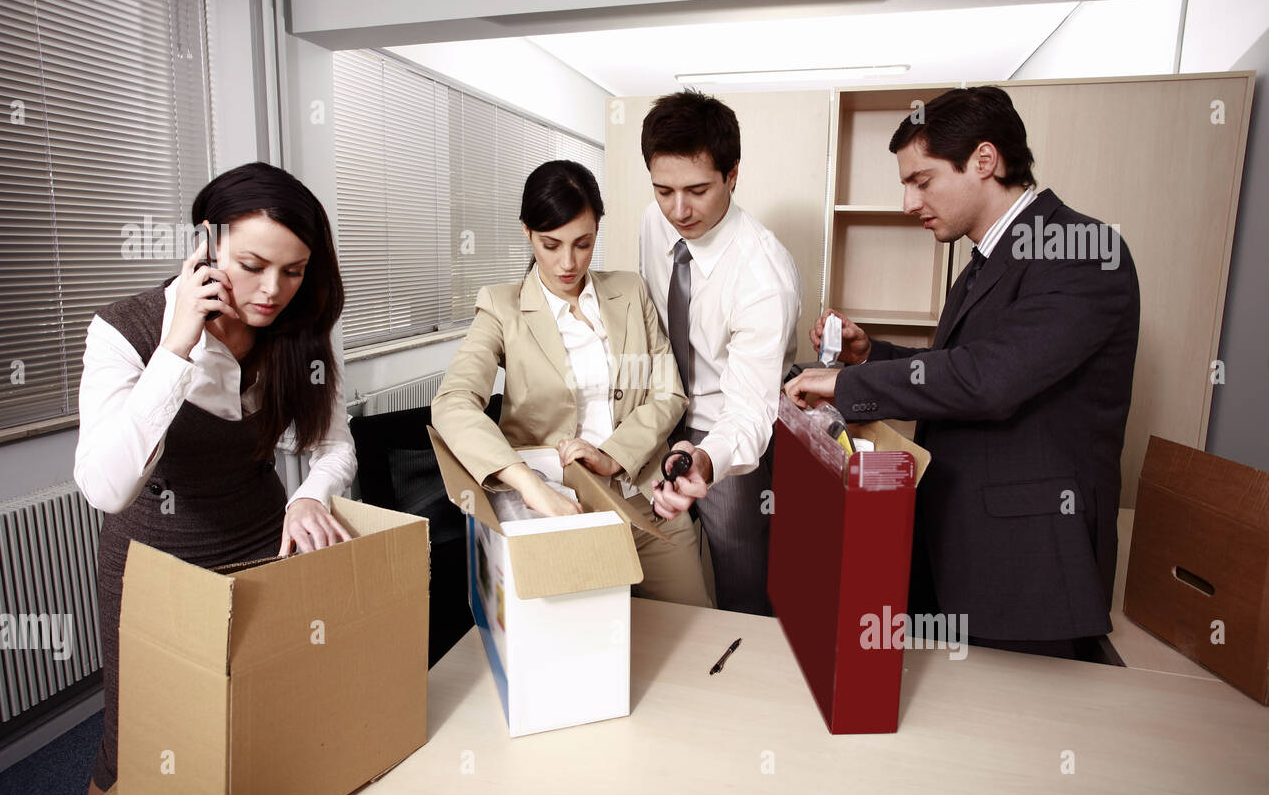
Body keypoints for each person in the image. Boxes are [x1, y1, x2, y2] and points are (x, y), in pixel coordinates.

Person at [785, 86, 1140, 660]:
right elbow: (956, 371)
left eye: (920, 181)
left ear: (984, 160)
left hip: (1029, 563)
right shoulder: (988, 258)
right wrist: (869, 355)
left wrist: (845, 386)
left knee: (1012, 737)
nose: (907, 204)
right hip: (960, 539)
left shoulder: (1084, 250)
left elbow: (990, 380)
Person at [74, 162, 357, 795]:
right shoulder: (124, 332)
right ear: (205, 242)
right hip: (154, 565)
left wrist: (311, 494)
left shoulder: (299, 335)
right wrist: (175, 348)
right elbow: (107, 487)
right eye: (253, 264)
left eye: (293, 270)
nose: (272, 290)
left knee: (257, 712)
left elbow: (334, 442)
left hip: (263, 547)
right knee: (138, 743)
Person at [432, 160, 709, 607]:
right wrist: (528, 483)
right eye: (551, 244)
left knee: (697, 631)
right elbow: (452, 404)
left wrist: (612, 456)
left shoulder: (630, 291)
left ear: (598, 229)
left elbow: (668, 391)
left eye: (583, 244)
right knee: (588, 650)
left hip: (646, 499)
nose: (568, 262)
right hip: (559, 510)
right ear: (527, 233)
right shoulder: (501, 308)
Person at [638, 90, 801, 616]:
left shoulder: (763, 277)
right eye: (664, 190)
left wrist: (707, 459)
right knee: (657, 567)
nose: (678, 210)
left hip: (727, 431)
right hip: (660, 416)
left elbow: (752, 408)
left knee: (738, 573)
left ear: (733, 175)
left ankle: (747, 669)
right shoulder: (653, 221)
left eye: (697, 190)